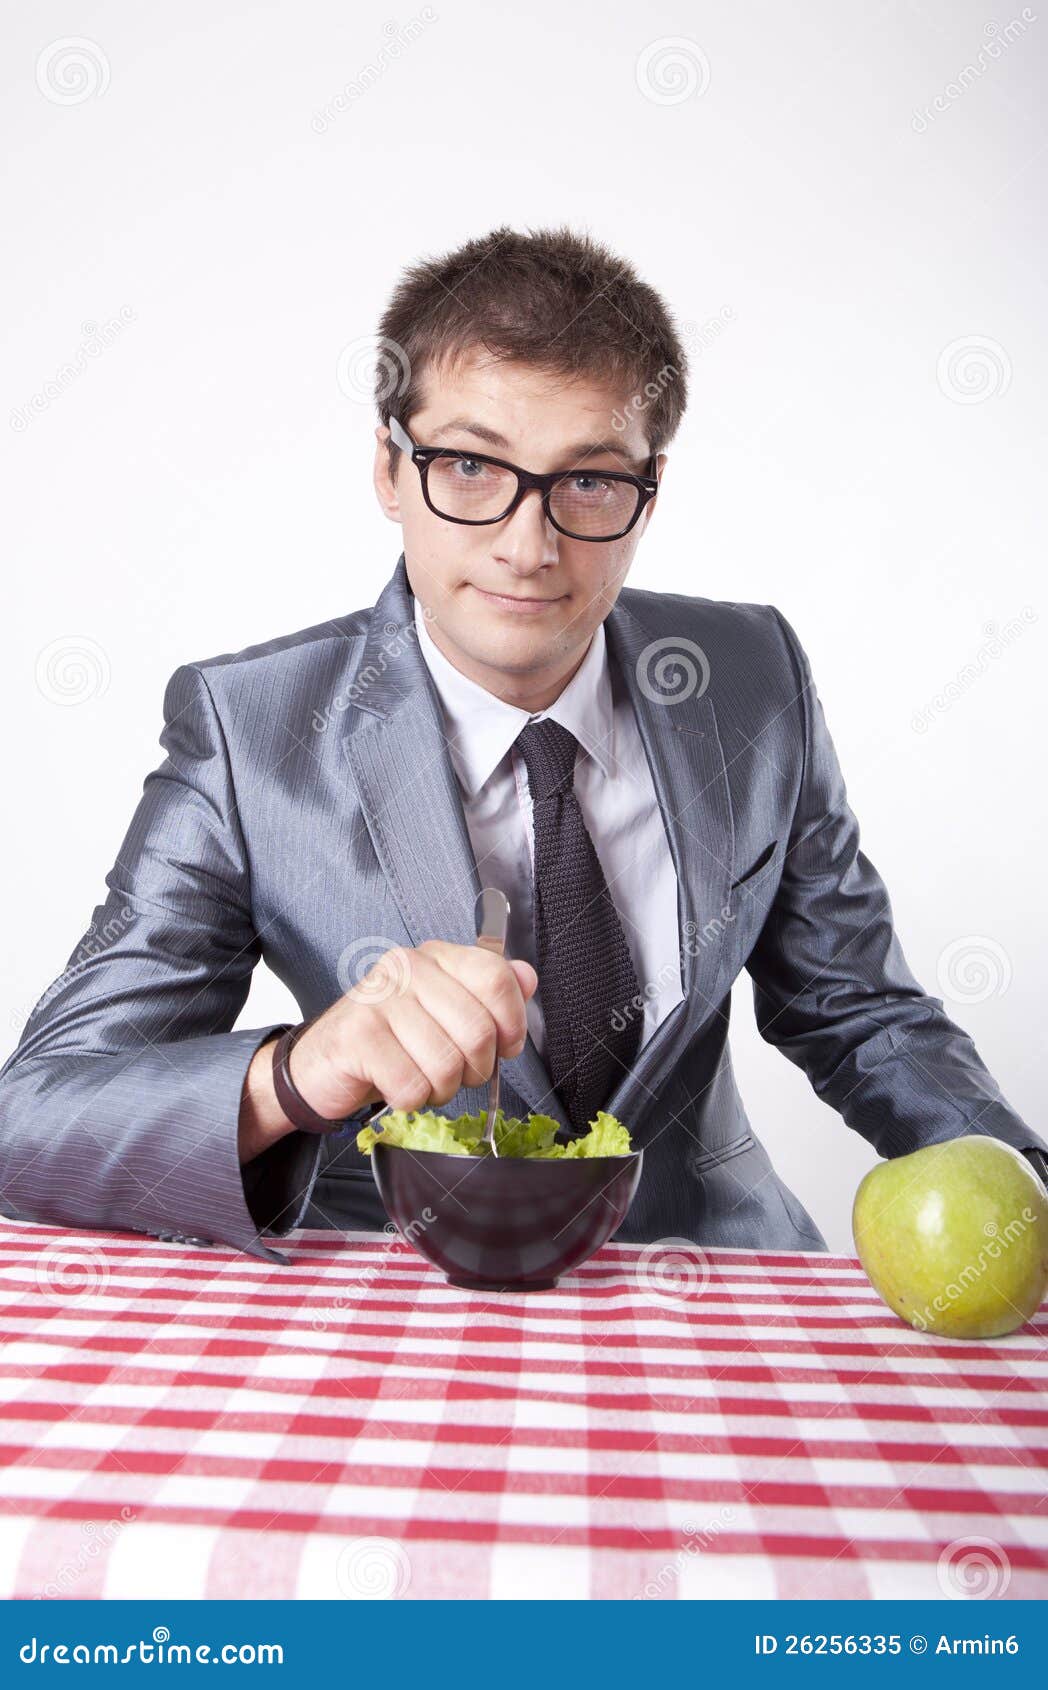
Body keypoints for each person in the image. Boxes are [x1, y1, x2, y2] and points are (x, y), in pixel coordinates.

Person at [1, 225, 1044, 1264]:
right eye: (468, 465)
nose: (526, 546)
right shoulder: (250, 731)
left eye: (587, 481)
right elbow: (32, 1117)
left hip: (713, 1268)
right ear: (389, 468)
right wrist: (295, 1073)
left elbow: (858, 1010)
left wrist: (1021, 1188)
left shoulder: (750, 676)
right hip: (407, 1289)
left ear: (649, 492)